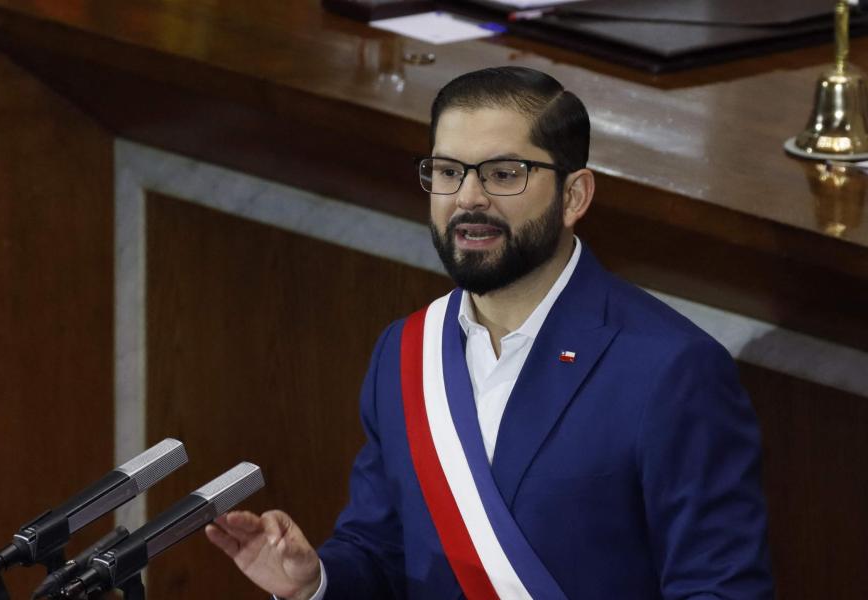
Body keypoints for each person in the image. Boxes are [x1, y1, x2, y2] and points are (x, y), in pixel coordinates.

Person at [204, 66, 773, 600]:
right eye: (449, 172)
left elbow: (719, 589)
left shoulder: (672, 370)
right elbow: (381, 553)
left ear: (574, 196)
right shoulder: (404, 354)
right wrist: (314, 583)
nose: (468, 199)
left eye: (504, 174)